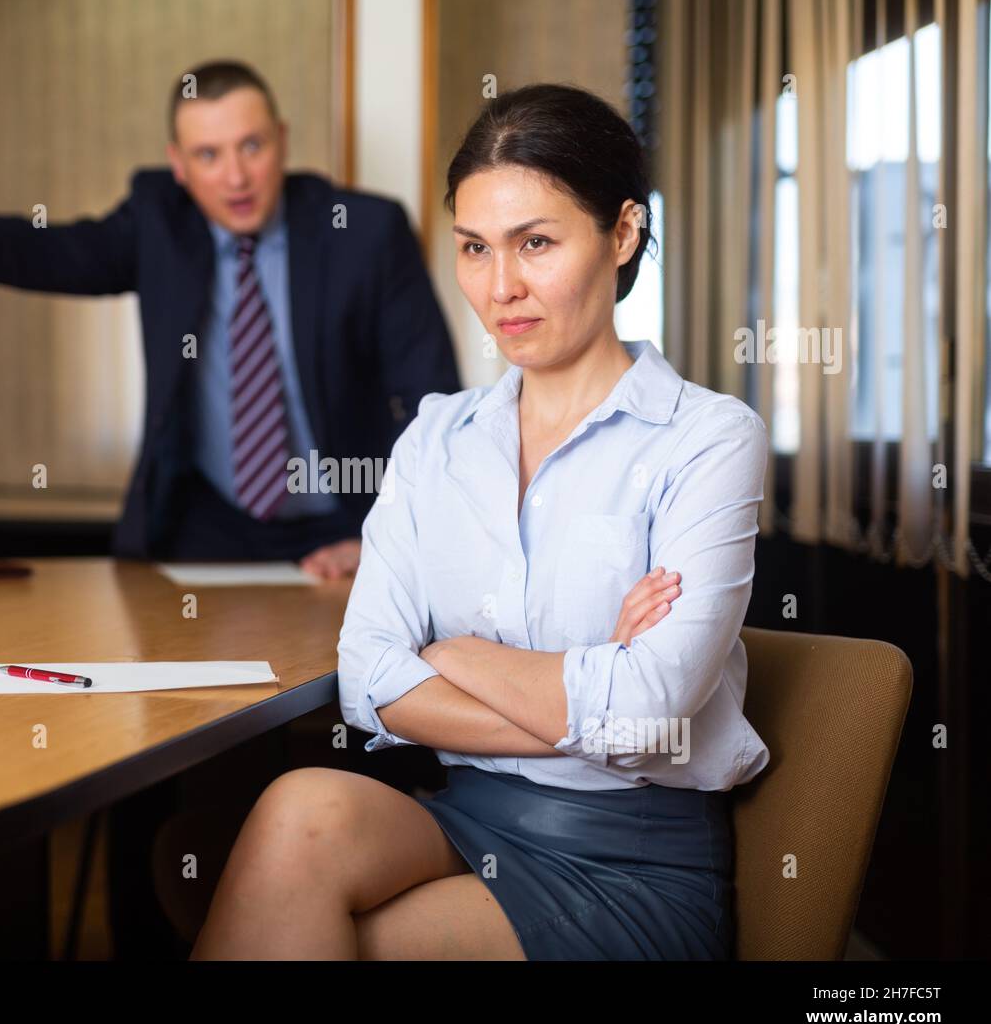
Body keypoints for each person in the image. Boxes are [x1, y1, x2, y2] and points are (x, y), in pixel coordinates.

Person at [189, 83, 771, 960]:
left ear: (622, 233)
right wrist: (586, 685)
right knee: (297, 806)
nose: (501, 289)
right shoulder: (436, 437)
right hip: (463, 812)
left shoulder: (708, 438)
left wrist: (452, 658)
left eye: (535, 243)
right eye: (473, 248)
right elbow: (367, 678)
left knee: (308, 936)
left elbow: (651, 717)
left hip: (631, 863)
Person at [0, 60, 459, 579]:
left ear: (283, 139)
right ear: (179, 164)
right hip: (203, 524)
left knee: (338, 707)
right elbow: (55, 253)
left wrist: (387, 539)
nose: (236, 176)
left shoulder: (364, 230)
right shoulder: (159, 218)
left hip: (344, 524)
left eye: (252, 146)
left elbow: (434, 401)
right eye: (208, 155)